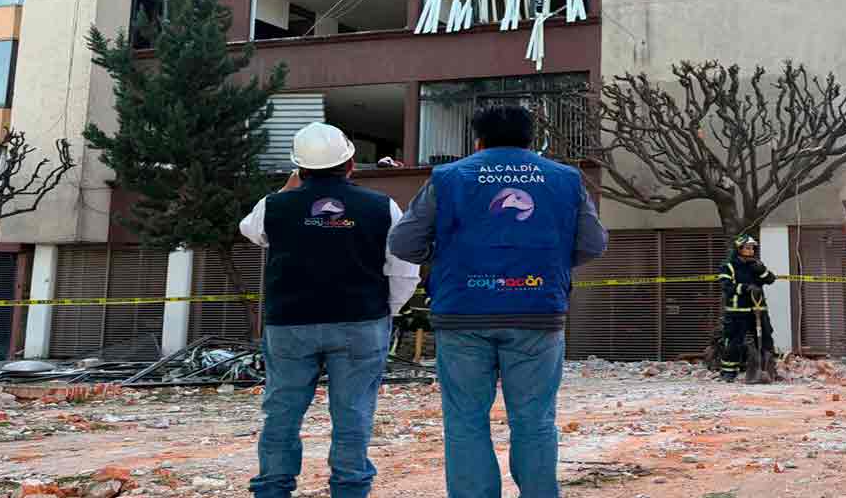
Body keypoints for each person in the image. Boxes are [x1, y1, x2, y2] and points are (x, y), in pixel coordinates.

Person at [388, 105, 608, 498]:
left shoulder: (449, 178)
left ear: (478, 141)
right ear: (530, 141)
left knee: (466, 421)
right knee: (535, 420)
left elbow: (403, 242)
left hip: (462, 314)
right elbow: (593, 243)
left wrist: (446, 260)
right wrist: (548, 260)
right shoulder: (565, 179)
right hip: (537, 312)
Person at [239, 122, 422, 498]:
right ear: (351, 162)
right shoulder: (381, 206)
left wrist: (287, 190)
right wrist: (383, 310)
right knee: (353, 413)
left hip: (290, 324)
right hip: (361, 322)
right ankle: (350, 490)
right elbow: (405, 269)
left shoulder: (274, 206)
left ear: (299, 169)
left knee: (282, 413)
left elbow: (251, 230)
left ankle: (273, 489)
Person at [717, 234, 777, 382]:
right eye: (747, 248)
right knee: (734, 341)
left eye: (752, 248)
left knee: (765, 340)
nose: (751, 250)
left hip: (758, 310)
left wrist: (761, 269)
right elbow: (726, 286)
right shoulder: (728, 266)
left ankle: (765, 370)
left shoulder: (755, 264)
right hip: (737, 313)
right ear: (739, 249)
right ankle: (728, 372)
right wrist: (745, 288)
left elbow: (770, 279)